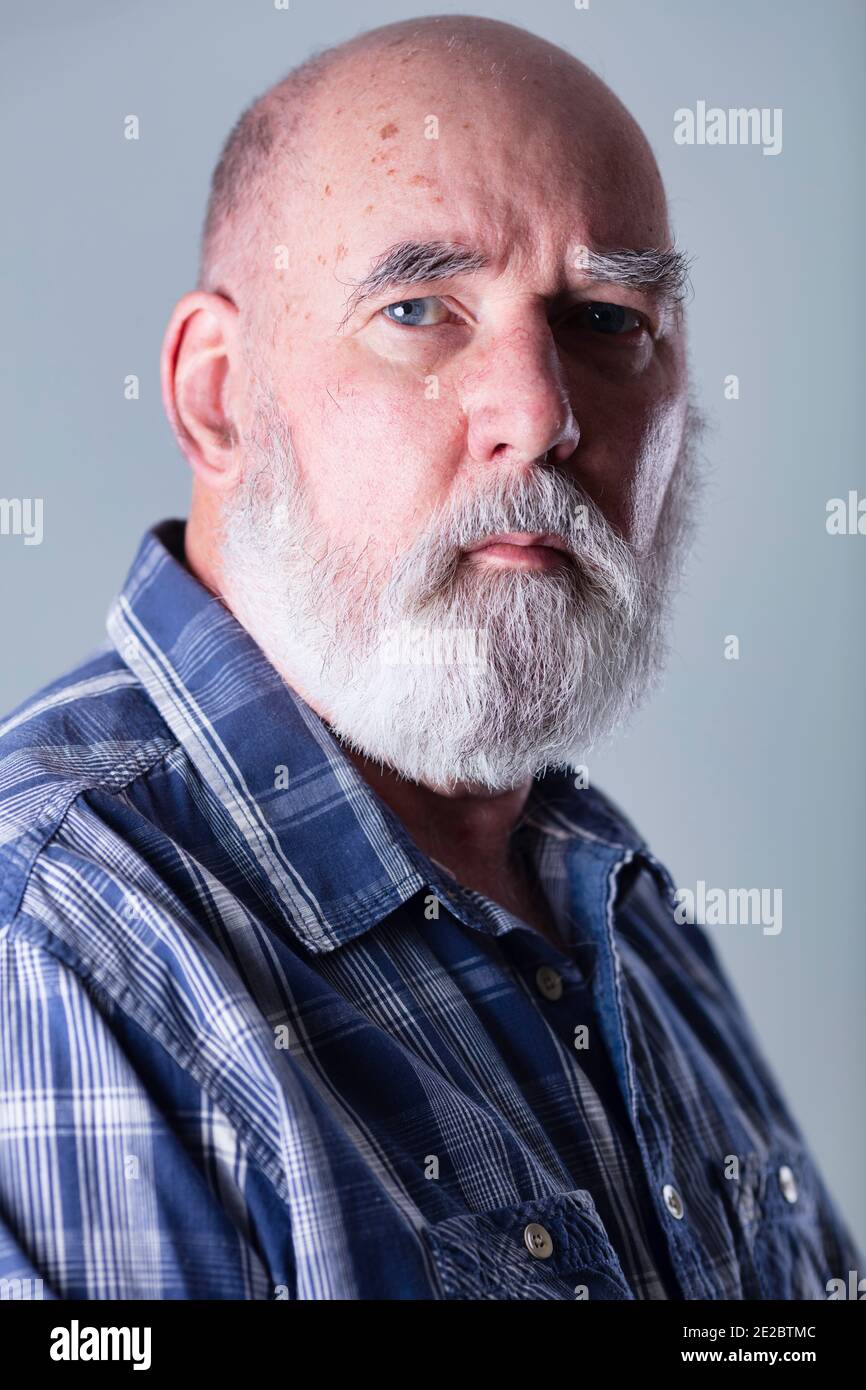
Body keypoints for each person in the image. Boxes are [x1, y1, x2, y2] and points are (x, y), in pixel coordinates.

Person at [0, 14, 859, 1300]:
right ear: (216, 395)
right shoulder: (58, 948)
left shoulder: (607, 891)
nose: (540, 413)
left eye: (603, 318)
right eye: (417, 308)